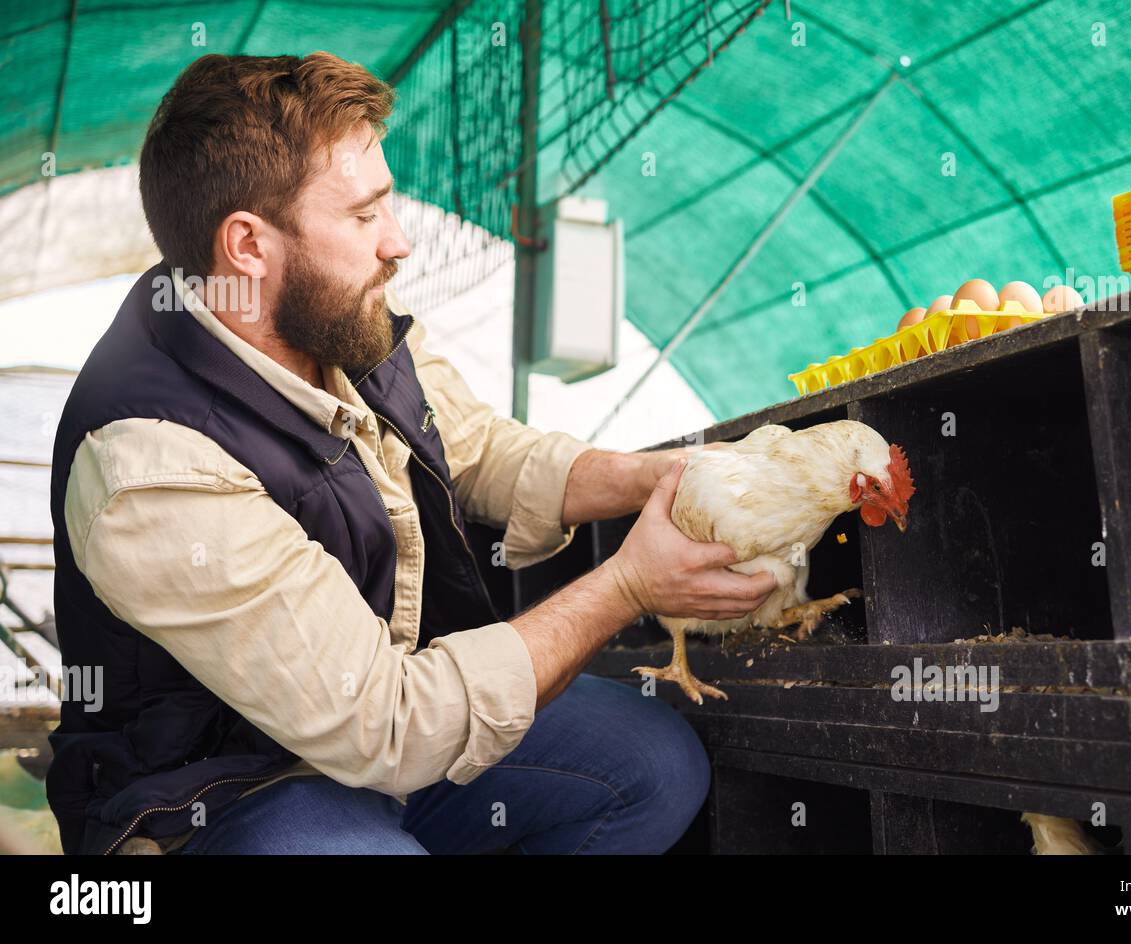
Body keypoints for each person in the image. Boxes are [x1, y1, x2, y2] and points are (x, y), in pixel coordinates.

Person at [46, 52, 776, 855]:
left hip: (380, 737)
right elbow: (385, 724)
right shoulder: (151, 467)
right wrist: (629, 584)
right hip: (223, 793)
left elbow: (474, 448)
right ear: (248, 246)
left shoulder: (334, 318)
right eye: (363, 216)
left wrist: (651, 478)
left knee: (652, 763)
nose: (397, 244)